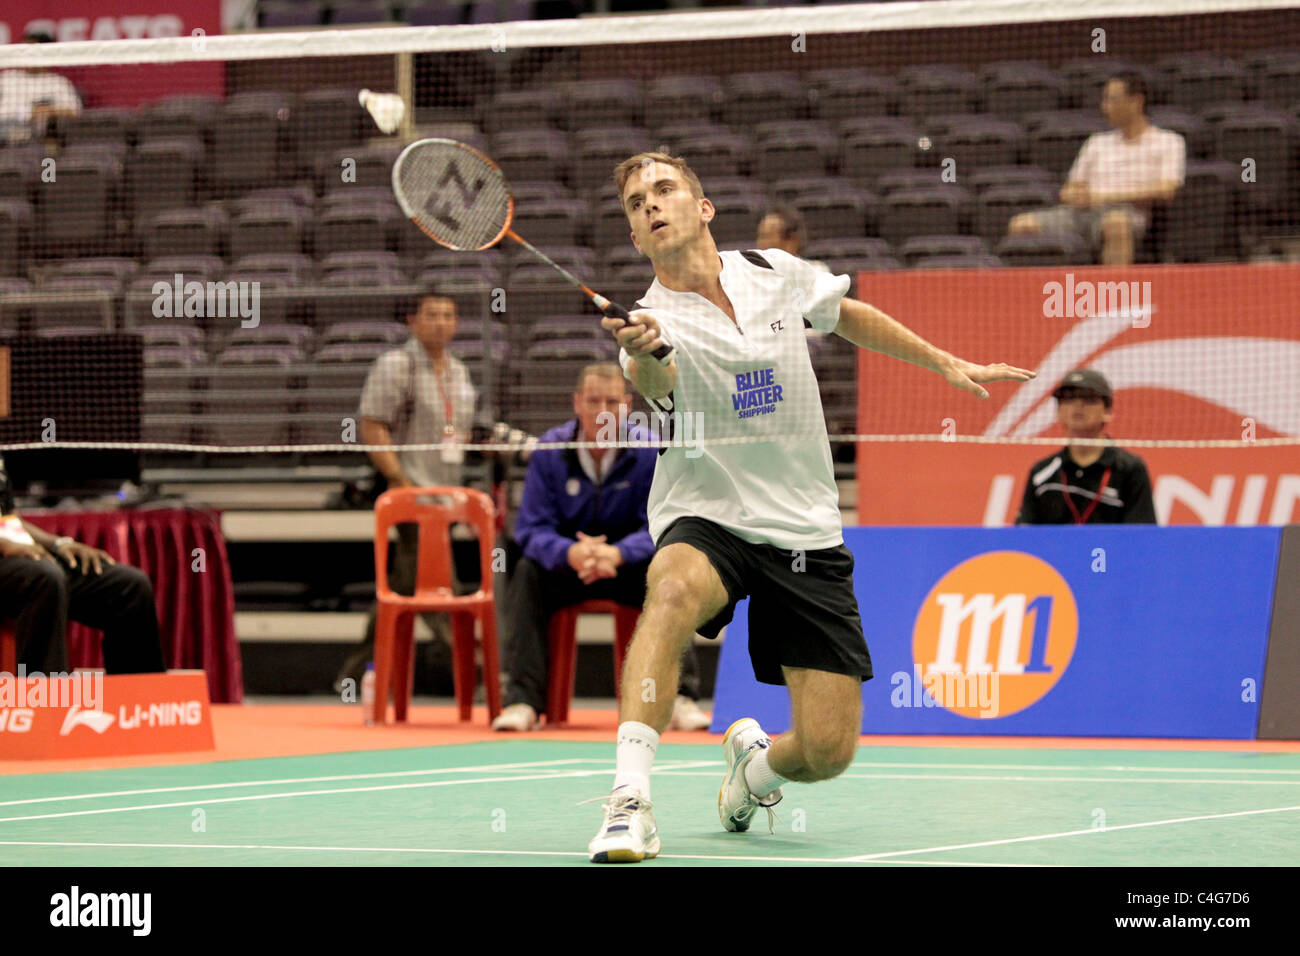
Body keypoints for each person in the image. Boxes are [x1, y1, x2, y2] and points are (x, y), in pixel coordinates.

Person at [586, 152, 1035, 863]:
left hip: (803, 525)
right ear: (636, 239)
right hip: (710, 512)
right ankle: (629, 799)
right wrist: (642, 354)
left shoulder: (773, 270)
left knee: (828, 751)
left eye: (664, 189)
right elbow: (655, 377)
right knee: (671, 587)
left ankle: (752, 769)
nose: (650, 204)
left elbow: (844, 314)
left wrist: (943, 360)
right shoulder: (650, 320)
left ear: (703, 209)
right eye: (636, 203)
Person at [493, 362, 711, 732]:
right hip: (569, 569)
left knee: (672, 574)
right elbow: (531, 528)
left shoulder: (649, 450)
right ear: (577, 403)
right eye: (593, 401)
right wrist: (568, 552)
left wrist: (620, 552)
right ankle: (523, 701)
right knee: (526, 570)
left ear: (627, 405)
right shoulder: (550, 449)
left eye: (612, 401)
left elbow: (664, 522)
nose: (603, 411)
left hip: (629, 568)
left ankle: (679, 697)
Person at [333, 292, 478, 693]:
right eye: (432, 315)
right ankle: (473, 672)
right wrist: (399, 480)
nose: (441, 322)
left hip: (446, 500)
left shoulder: (459, 372)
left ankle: (358, 675)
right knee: (439, 587)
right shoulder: (397, 365)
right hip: (412, 501)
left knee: (400, 589)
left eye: (449, 315)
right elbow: (373, 424)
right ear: (413, 321)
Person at [0, 453, 165, 675]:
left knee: (129, 586)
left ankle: (138, 703)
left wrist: (59, 543)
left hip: (13, 558)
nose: (10, 414)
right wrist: (3, 544)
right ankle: (43, 700)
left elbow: (8, 519)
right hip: (11, 561)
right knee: (44, 577)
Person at [1007, 71, 1184, 266]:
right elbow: (1069, 189)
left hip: (1127, 213)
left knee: (1116, 224)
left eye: (1112, 100)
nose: (1105, 107)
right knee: (1021, 225)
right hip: (1081, 214)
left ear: (1136, 101)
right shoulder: (1097, 142)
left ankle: (1113, 293)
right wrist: (1074, 195)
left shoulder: (1168, 141)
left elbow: (1166, 190)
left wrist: (1103, 197)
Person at [1015, 368, 1156, 525]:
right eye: (1068, 398)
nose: (1078, 404)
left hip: (1109, 550)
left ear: (1107, 411)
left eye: (1088, 398)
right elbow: (1024, 535)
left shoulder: (1130, 469)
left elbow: (1142, 535)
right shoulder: (1041, 473)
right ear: (1058, 411)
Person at [0, 28, 82, 146]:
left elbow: (73, 111)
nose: (26, 54)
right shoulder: (7, 77)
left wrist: (42, 110)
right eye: (24, 49)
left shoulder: (57, 83)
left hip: (31, 139)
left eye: (31, 50)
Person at [755, 206, 827, 272]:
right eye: (760, 236)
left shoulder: (816, 271)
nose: (760, 243)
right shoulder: (752, 274)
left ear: (791, 242)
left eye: (767, 237)